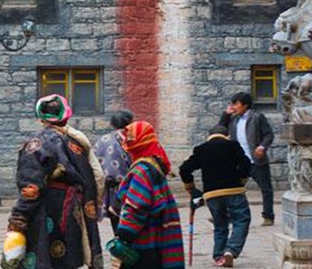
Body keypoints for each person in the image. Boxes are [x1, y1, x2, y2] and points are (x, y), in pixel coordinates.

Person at [5, 94, 102, 269]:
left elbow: (31, 187)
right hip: (74, 210)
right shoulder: (77, 143)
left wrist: (19, 216)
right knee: (67, 259)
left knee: (44, 256)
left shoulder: (36, 143)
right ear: (66, 117)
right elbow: (95, 177)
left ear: (41, 118)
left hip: (47, 208)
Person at [108, 121, 184, 269]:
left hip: (145, 235)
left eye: (130, 138)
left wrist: (123, 235)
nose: (126, 142)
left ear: (141, 140)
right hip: (156, 230)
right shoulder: (154, 163)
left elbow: (137, 206)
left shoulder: (142, 170)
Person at [179, 125, 252, 267]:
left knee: (220, 225)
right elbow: (246, 164)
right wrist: (242, 180)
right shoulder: (233, 145)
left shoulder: (201, 149)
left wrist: (191, 188)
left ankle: (219, 256)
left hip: (212, 194)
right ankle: (231, 249)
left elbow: (184, 169)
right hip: (233, 191)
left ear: (209, 135)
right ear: (227, 136)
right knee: (241, 220)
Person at [218, 92, 275, 226]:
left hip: (256, 160)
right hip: (239, 161)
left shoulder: (257, 117)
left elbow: (268, 135)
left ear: (245, 105)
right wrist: (226, 114)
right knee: (232, 189)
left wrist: (262, 147)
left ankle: (268, 216)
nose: (234, 107)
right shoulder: (233, 119)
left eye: (236, 104)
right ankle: (228, 216)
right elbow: (219, 129)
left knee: (266, 189)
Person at [93, 110, 134, 233]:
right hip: (132, 189)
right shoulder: (133, 139)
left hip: (111, 191)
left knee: (116, 224)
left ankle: (120, 246)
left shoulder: (103, 140)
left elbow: (94, 163)